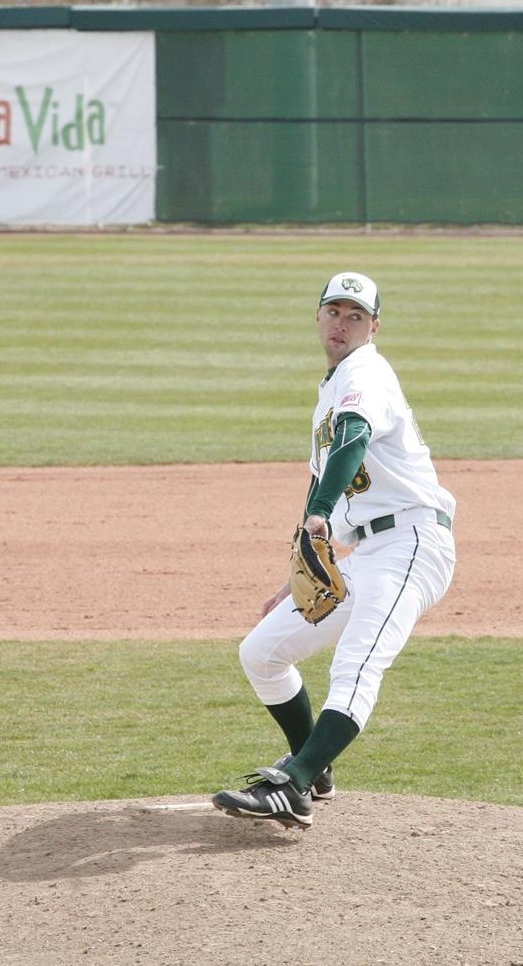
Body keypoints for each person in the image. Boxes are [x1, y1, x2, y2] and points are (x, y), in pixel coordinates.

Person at [211, 272, 458, 830]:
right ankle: (313, 766)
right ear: (318, 316)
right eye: (333, 312)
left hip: (412, 544)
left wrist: (319, 510)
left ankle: (293, 786)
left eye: (355, 316)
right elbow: (337, 478)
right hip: (368, 551)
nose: (341, 324)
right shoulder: (335, 383)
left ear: (373, 326)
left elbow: (353, 437)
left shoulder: (365, 373)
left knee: (357, 664)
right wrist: (306, 562)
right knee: (263, 652)